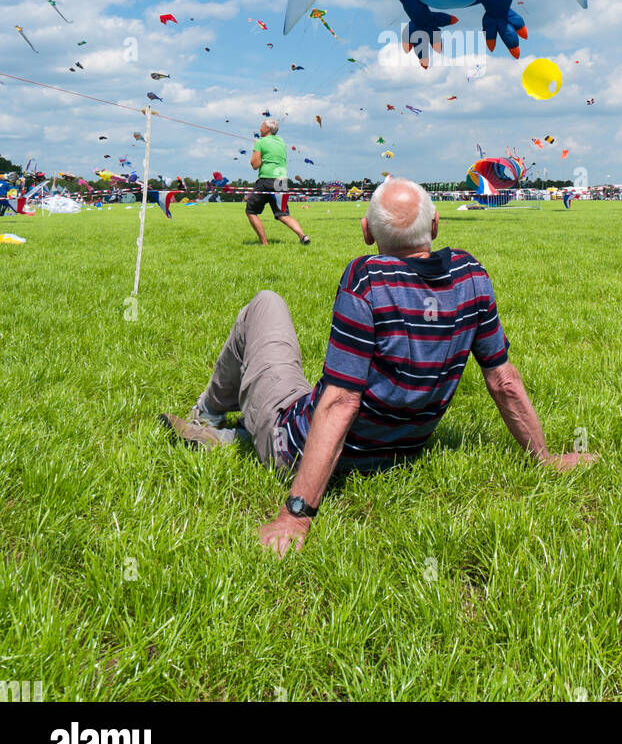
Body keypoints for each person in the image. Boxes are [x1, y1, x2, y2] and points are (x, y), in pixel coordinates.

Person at [160, 177, 597, 554]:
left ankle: (208, 415)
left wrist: (297, 514)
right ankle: (227, 434)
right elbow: (504, 381)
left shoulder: (367, 278)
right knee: (302, 383)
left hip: (291, 444)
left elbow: (341, 402)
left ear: (367, 232)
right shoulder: (471, 276)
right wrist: (542, 458)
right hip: (397, 455)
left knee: (266, 305)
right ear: (435, 225)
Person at [244, 117, 309, 246]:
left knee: (251, 212)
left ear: (267, 128)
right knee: (283, 214)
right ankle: (303, 236)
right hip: (281, 180)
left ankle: (264, 243)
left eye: (262, 125)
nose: (260, 128)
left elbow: (255, 164)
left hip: (266, 180)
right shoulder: (281, 141)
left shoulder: (260, 142)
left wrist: (258, 149)